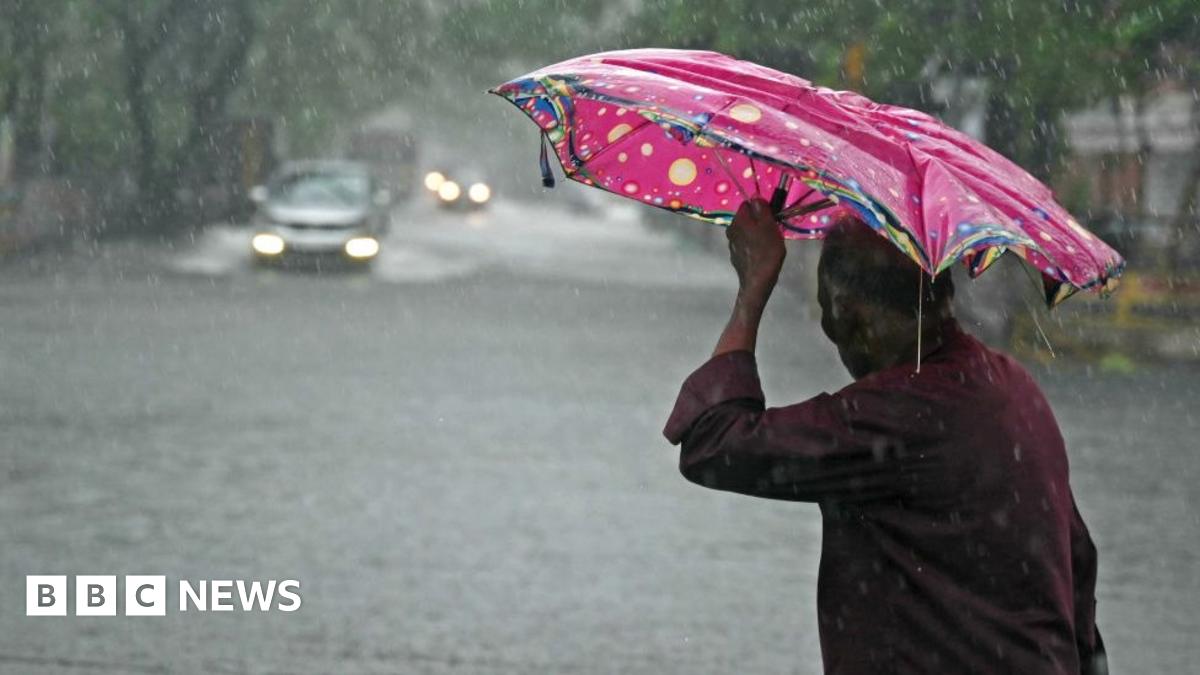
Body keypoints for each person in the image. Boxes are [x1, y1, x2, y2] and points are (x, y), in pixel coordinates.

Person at [663, 198, 1107, 674]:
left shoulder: (902, 413)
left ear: (845, 315)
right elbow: (1076, 564)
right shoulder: (1014, 388)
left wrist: (752, 289)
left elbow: (715, 443)